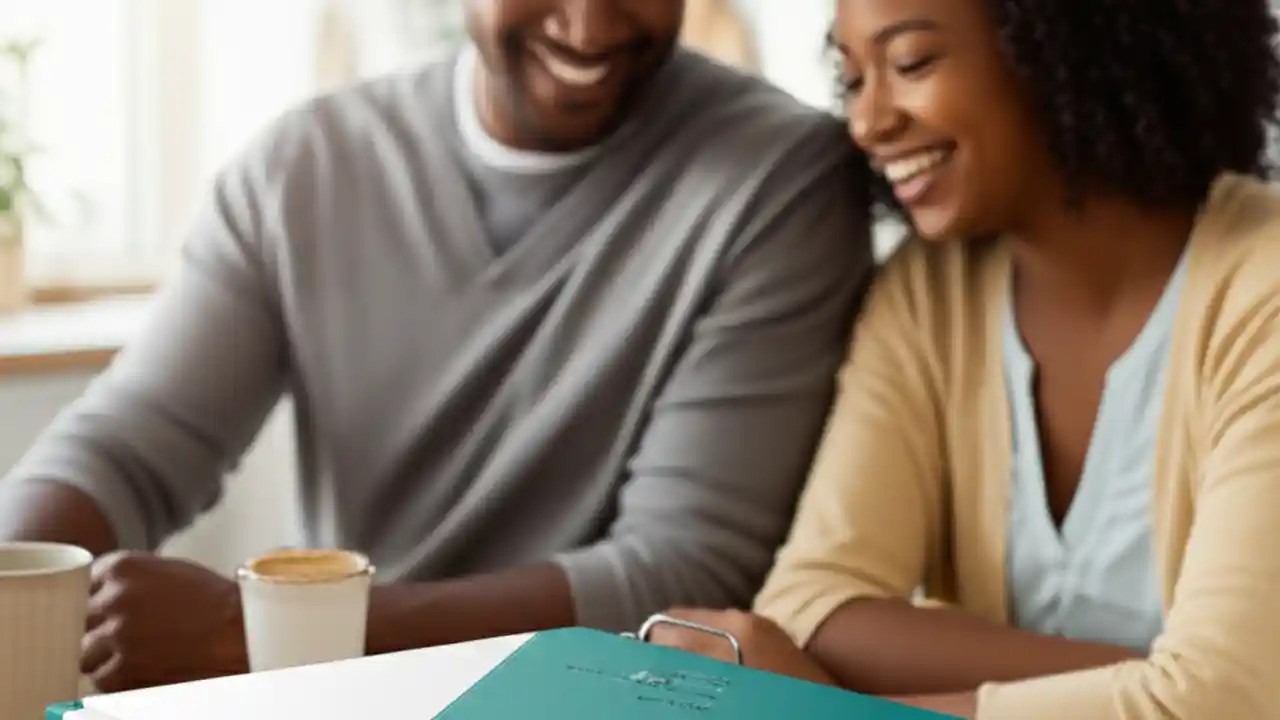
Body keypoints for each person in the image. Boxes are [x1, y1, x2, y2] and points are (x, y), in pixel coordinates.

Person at [0, 0, 872, 692]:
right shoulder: (301, 169)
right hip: (352, 696)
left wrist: (277, 633)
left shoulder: (780, 179)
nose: (591, 23)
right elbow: (130, 444)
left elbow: (682, 572)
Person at [651, 0, 1280, 718]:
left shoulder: (1262, 291)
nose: (869, 122)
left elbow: (1220, 698)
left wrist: (822, 707)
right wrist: (1172, 678)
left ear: (1063, 48)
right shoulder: (927, 296)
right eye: (853, 79)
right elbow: (810, 606)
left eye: (912, 63)